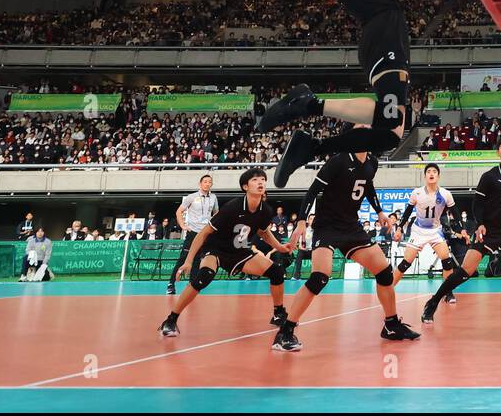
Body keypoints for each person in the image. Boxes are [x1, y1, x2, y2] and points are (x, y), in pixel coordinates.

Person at [260, 0, 470, 185]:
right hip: (382, 33)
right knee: (389, 124)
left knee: (388, 135)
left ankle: (312, 144)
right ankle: (307, 105)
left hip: (392, 34)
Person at [271, 137, 421, 351]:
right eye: (361, 130)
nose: (368, 132)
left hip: (351, 227)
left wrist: (379, 211)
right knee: (319, 278)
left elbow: (367, 185)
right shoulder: (338, 161)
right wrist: (302, 221)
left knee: (385, 272)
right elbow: (313, 191)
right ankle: (285, 331)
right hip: (327, 227)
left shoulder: (372, 162)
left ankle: (391, 325)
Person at [158, 169, 296, 338]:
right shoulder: (233, 207)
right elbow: (203, 233)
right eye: (255, 180)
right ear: (245, 186)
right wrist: (188, 261)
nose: (260, 182)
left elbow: (264, 232)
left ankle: (278, 313)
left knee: (276, 271)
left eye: (263, 179)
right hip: (215, 248)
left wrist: (281, 247)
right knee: (204, 276)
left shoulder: (266, 210)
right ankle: (171, 319)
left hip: (239, 252)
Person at [422, 137, 501, 323]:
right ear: (497, 152)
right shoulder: (490, 176)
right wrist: (480, 224)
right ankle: (434, 302)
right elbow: (477, 204)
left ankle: (500, 262)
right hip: (488, 232)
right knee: (464, 271)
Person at [392, 163, 459, 298]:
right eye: (428, 171)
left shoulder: (446, 194)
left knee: (447, 261)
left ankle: (448, 293)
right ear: (425, 176)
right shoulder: (416, 193)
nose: (431, 173)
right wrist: (399, 228)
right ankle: (388, 288)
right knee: (405, 264)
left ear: (438, 176)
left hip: (435, 231)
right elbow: (407, 212)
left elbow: (455, 213)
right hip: (418, 231)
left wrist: (462, 229)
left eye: (434, 171)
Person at [167, 173, 219, 295]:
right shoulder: (191, 197)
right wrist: (183, 226)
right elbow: (179, 211)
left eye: (210, 182)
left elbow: (217, 213)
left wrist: (213, 226)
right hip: (193, 232)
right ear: (200, 184)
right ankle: (171, 284)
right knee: (183, 258)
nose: (207, 184)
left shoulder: (213, 198)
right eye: (205, 181)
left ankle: (192, 285)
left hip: (205, 233)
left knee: (198, 260)